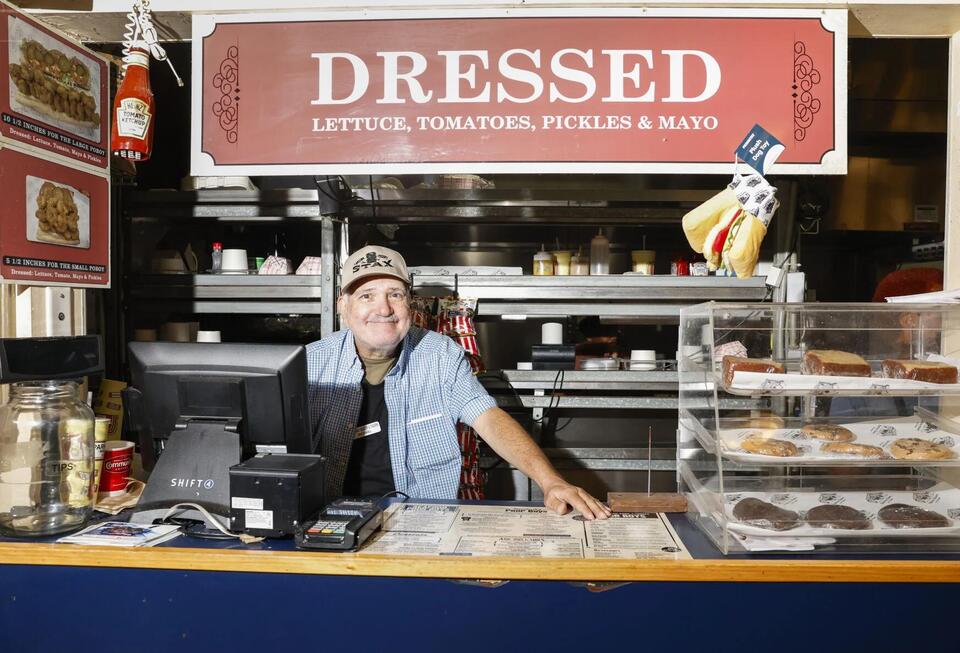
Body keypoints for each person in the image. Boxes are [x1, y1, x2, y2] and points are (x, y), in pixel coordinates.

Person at [306, 245, 611, 520]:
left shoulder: (440, 353)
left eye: (395, 294)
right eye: (366, 295)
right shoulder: (311, 363)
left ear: (409, 304)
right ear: (342, 308)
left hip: (422, 522)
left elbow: (488, 418)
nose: (384, 308)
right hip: (331, 521)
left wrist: (550, 481)